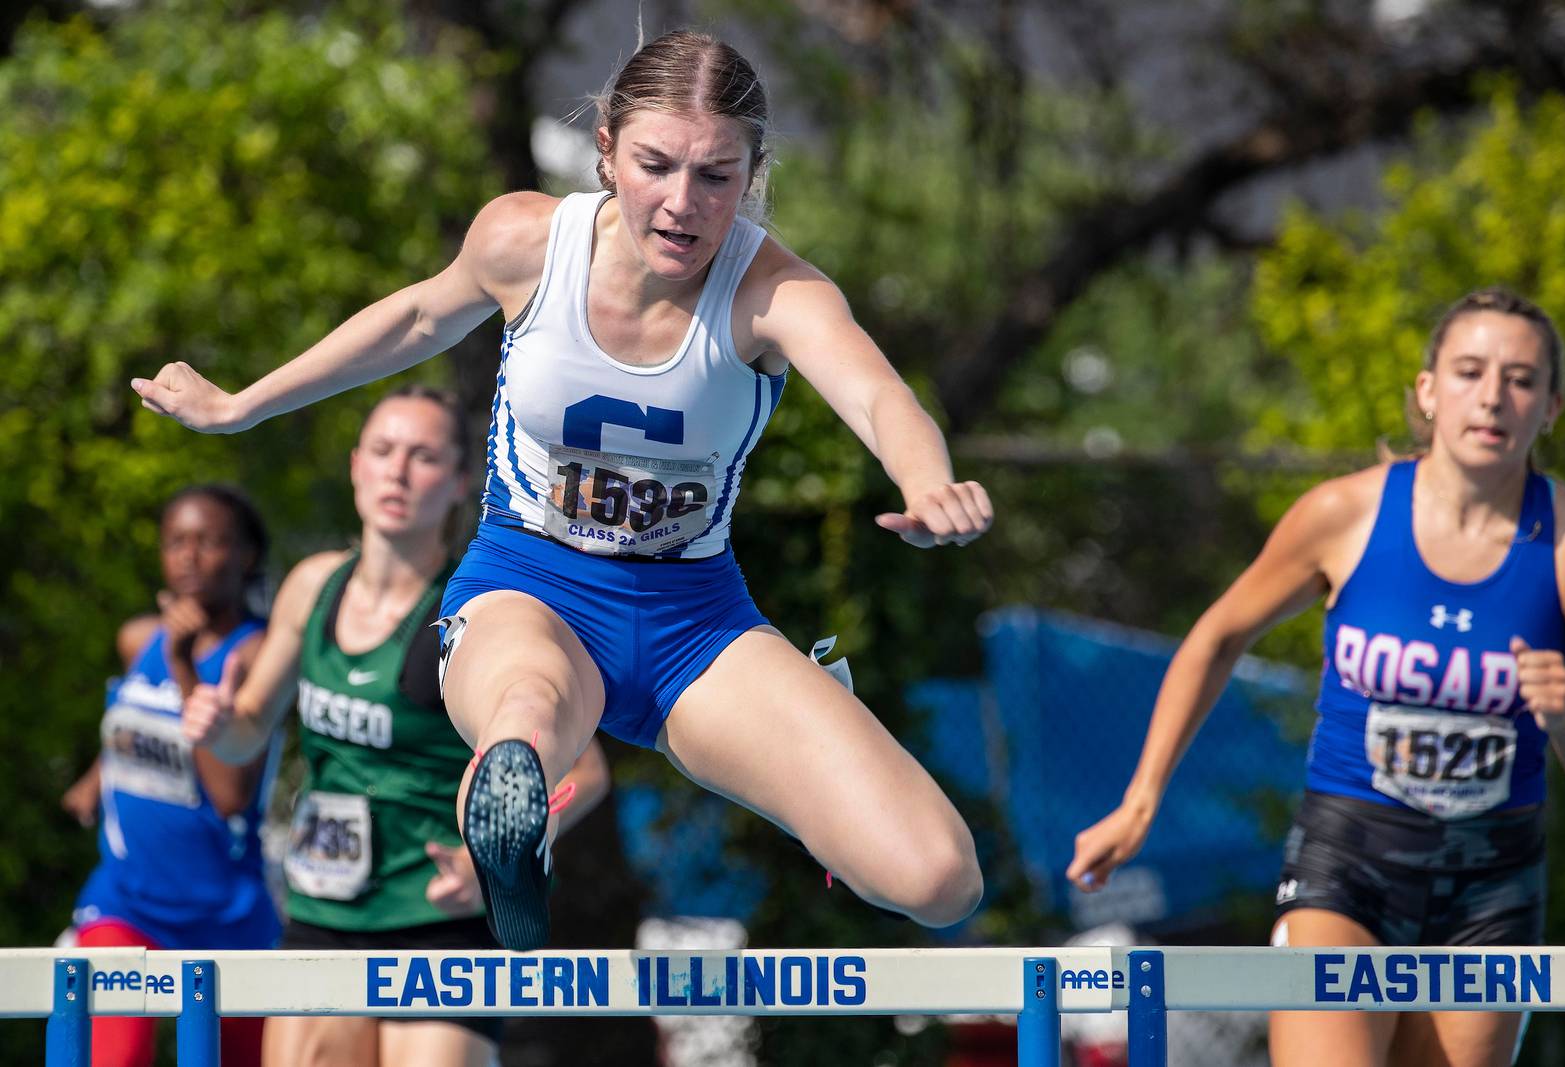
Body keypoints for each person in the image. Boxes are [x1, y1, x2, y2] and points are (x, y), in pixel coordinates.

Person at [132, 28, 988, 951]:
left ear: (753, 173)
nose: (683, 204)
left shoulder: (775, 292)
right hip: (526, 586)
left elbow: (878, 394)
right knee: (526, 716)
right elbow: (415, 316)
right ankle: (515, 818)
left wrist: (928, 479)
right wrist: (242, 404)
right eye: (656, 166)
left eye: (716, 175)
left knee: (939, 880)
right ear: (607, 149)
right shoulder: (527, 242)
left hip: (695, 622)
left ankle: (819, 819)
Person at [1067, 287, 1565, 1067]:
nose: (1493, 396)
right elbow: (1217, 636)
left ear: (1551, 405)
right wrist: (1141, 798)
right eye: (1470, 371)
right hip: (1347, 868)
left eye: (1520, 379)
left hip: (1491, 887)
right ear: (1428, 390)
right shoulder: (1343, 515)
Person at [180, 386, 609, 1067]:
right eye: (383, 451)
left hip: (440, 914)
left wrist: (495, 854)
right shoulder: (313, 585)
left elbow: (586, 770)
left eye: (423, 456)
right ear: (356, 465)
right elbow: (246, 733)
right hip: (325, 910)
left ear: (462, 481)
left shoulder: (480, 609)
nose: (398, 472)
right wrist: (217, 722)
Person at [64, 485, 278, 1067]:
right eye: (176, 542)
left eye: (209, 542)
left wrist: (185, 665)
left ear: (246, 555)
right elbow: (136, 721)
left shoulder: (255, 654)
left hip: (227, 914)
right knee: (115, 1058)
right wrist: (96, 777)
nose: (189, 556)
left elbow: (230, 795)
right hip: (125, 902)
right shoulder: (139, 640)